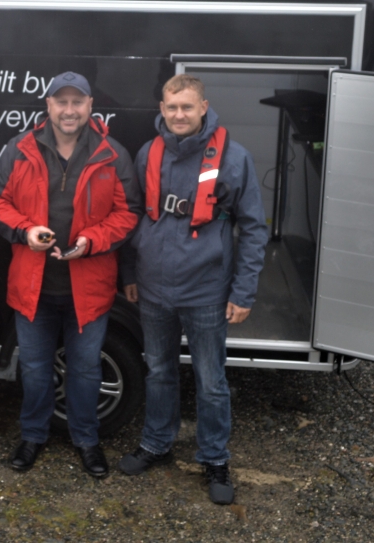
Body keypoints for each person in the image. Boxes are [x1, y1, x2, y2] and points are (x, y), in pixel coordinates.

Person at [116, 73, 268, 504]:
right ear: (161, 110)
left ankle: (215, 457)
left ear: (204, 107)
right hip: (153, 288)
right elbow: (133, 217)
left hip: (207, 291)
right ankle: (156, 443)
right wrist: (129, 273)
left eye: (187, 106)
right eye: (171, 107)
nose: (179, 115)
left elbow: (254, 229)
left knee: (211, 379)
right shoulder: (149, 153)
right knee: (159, 371)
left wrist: (243, 291)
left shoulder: (234, 159)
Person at [0, 72, 140, 479]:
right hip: (32, 286)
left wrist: (92, 240)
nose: (69, 110)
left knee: (86, 370)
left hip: (88, 288)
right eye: (61, 102)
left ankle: (86, 439)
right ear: (48, 106)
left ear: (90, 106)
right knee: (35, 370)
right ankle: (33, 436)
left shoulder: (112, 153)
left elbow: (128, 214)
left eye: (77, 102)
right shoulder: (19, 149)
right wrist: (24, 231)